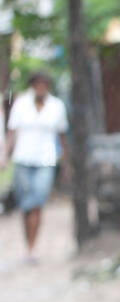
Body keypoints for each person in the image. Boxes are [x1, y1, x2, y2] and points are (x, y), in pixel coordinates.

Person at [2, 72, 69, 263]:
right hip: (23, 158)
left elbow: (62, 135)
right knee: (26, 205)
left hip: (46, 160)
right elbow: (12, 132)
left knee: (37, 202)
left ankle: (32, 248)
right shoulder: (21, 104)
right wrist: (4, 156)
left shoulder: (57, 106)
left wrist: (66, 162)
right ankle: (28, 243)